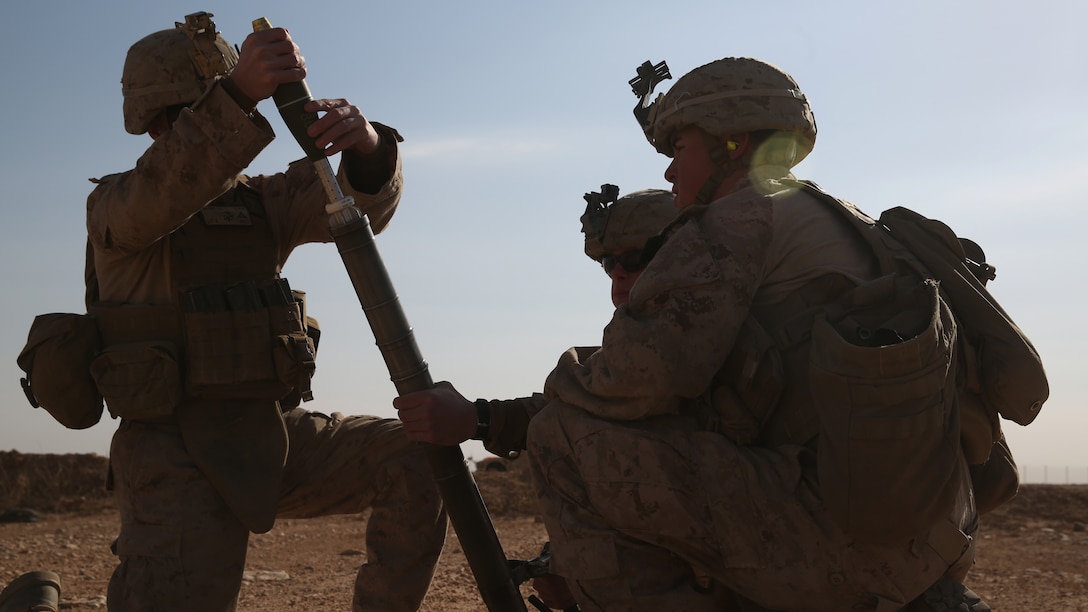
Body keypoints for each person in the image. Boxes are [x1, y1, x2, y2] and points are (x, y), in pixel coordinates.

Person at [524, 57, 989, 611]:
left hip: (847, 546)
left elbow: (637, 380)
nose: (670, 173)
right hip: (936, 533)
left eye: (679, 151)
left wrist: (560, 381)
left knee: (560, 436)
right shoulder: (842, 219)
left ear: (733, 144)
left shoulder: (737, 219)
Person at [86, 13, 445, 611]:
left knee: (416, 455)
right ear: (156, 123)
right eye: (186, 116)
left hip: (268, 436)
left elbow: (356, 208)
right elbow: (169, 186)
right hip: (173, 455)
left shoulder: (263, 202)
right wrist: (234, 96)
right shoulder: (117, 205)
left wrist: (367, 144)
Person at [394, 186, 677, 609]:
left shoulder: (700, 338)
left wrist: (589, 581)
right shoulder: (640, 339)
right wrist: (479, 418)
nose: (618, 274)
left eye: (635, 259)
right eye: (608, 263)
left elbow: (582, 419)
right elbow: (585, 403)